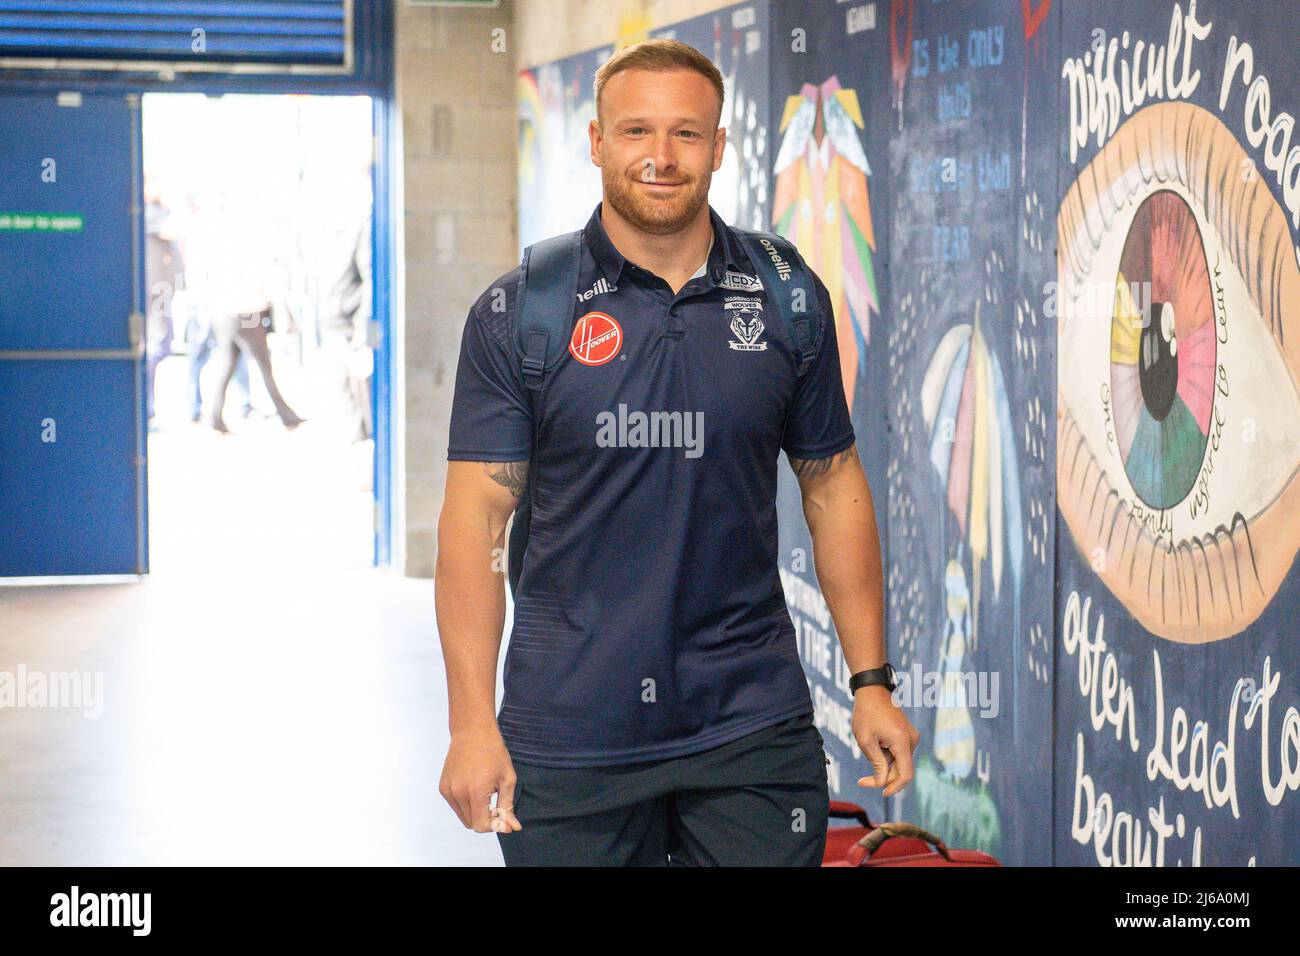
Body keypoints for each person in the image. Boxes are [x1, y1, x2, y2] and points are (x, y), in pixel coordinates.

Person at [437, 39, 918, 867]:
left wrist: (871, 682)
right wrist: (471, 722)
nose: (660, 157)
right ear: (596, 142)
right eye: (635, 132)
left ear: (720, 148)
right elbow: (477, 516)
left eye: (687, 134)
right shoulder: (523, 311)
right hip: (571, 733)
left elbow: (832, 481)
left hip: (749, 725)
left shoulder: (785, 295)